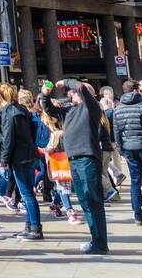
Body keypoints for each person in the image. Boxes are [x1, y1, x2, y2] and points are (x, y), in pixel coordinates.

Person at [40, 78, 108, 254]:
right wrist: (45, 95)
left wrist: (66, 82)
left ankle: (100, 243)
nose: (73, 94)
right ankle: (96, 240)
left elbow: (82, 88)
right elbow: (50, 110)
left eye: (76, 93)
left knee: (93, 201)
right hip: (74, 159)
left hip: (87, 158)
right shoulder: (70, 110)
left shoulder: (92, 108)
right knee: (85, 201)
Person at [0, 81, 42, 240]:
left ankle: (35, 227)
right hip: (28, 154)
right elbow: (33, 130)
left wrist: (4, 160)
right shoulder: (21, 109)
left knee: (27, 193)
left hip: (19, 157)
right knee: (27, 192)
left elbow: (8, 138)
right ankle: (30, 226)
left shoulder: (10, 113)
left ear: (0, 96)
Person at [111, 79, 142, 225]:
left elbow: (117, 132)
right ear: (136, 90)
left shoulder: (117, 109)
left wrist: (121, 150)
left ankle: (138, 215)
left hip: (129, 148)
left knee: (135, 181)